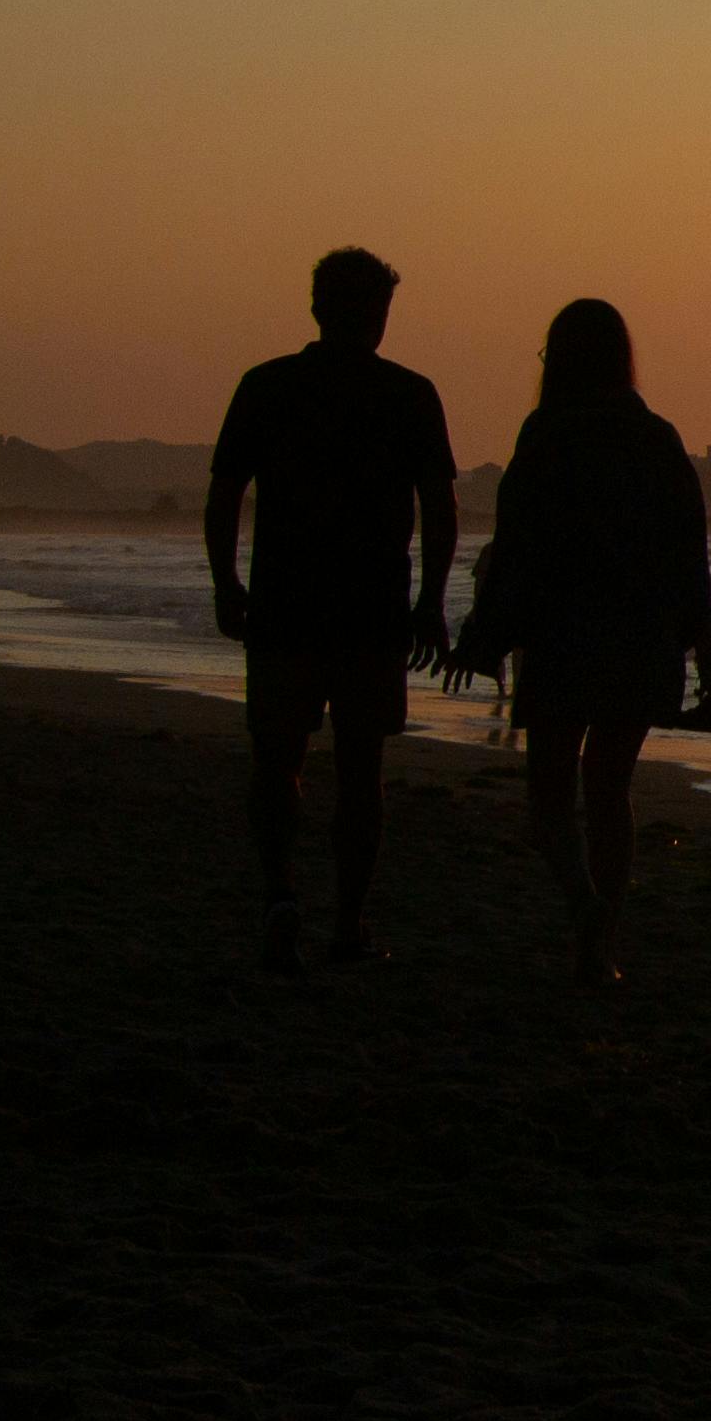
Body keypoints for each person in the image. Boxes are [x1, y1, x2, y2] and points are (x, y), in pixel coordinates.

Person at [465, 299, 711, 984]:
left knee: (550, 797)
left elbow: (516, 545)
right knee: (611, 790)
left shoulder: (546, 433)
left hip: (563, 637)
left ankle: (584, 905)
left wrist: (484, 633)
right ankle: (602, 945)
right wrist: (709, 666)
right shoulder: (657, 438)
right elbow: (690, 561)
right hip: (642, 641)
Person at [203, 248, 459, 972]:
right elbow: (439, 510)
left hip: (286, 602)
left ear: (317, 308)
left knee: (277, 760)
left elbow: (224, 497)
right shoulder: (408, 394)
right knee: (359, 770)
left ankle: (281, 895)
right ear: (373, 314)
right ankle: (347, 923)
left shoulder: (268, 385)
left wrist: (226, 582)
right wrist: (430, 602)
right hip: (368, 611)